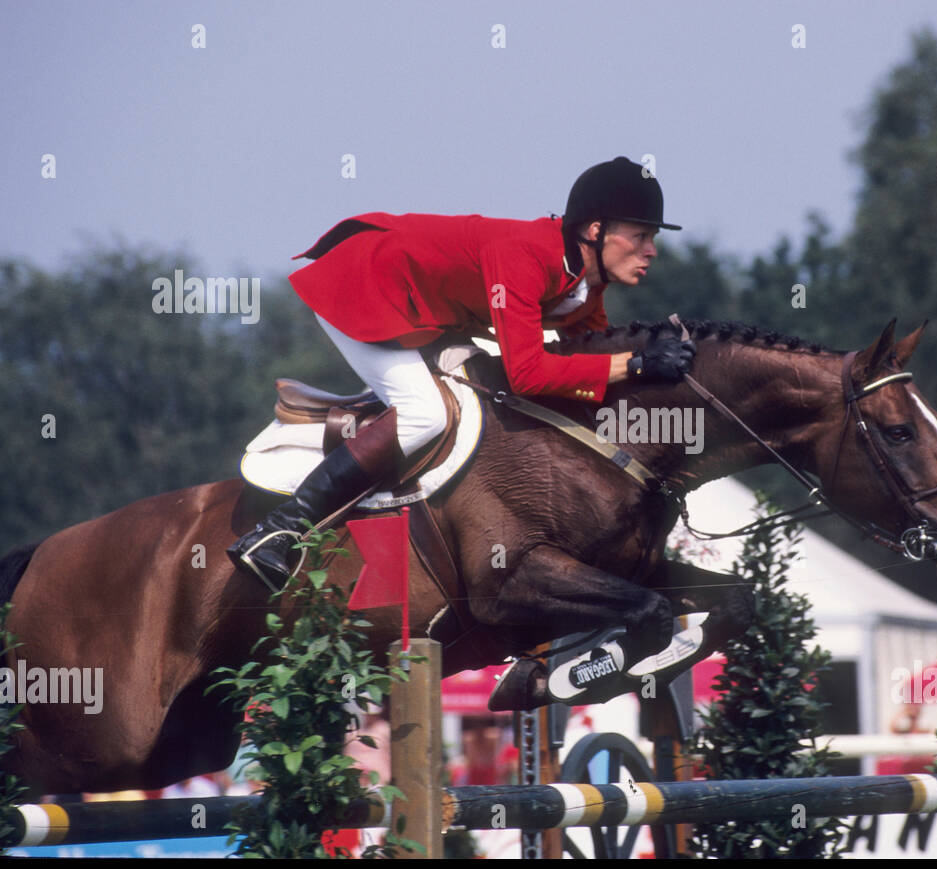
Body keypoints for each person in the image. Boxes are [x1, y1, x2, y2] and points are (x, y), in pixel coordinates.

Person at [229, 157, 696, 591]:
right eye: (640, 236)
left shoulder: (584, 287)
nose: (651, 250)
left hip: (431, 312)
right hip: (363, 286)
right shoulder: (526, 257)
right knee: (425, 413)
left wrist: (651, 368)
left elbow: (593, 364)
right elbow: (529, 375)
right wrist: (635, 363)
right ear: (596, 230)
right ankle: (282, 528)